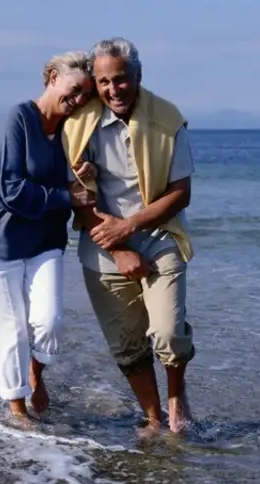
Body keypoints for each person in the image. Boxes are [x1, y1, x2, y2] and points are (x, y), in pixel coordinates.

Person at [62, 38, 196, 435]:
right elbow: (75, 199)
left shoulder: (168, 119)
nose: (112, 90)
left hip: (158, 234)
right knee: (128, 347)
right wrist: (118, 246)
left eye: (120, 80)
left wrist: (131, 226)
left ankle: (176, 403)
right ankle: (153, 418)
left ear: (137, 76)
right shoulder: (78, 125)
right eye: (103, 82)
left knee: (169, 334)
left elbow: (181, 193)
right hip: (102, 243)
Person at [0, 51, 97, 421]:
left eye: (83, 98)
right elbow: (9, 189)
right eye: (73, 91)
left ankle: (35, 374)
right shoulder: (18, 119)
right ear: (52, 77)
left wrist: (82, 174)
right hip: (1, 238)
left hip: (45, 238)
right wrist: (65, 195)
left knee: (50, 320)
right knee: (10, 330)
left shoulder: (71, 132)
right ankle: (17, 411)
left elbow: (77, 184)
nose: (75, 102)